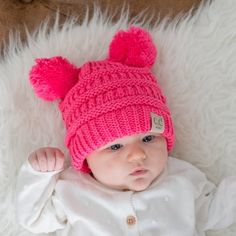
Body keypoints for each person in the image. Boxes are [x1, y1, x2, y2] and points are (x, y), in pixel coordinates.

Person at [16, 26, 236, 236]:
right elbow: (33, 219)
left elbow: (216, 212)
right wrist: (37, 176)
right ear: (86, 158)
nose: (138, 154)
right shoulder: (72, 190)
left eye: (148, 138)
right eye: (115, 146)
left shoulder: (182, 179)